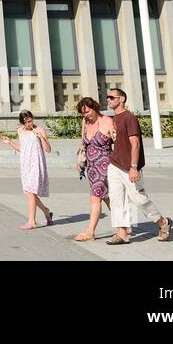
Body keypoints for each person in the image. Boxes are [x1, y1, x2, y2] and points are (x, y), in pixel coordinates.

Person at [103, 87, 173, 244]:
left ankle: (163, 223)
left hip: (129, 167)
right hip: (114, 164)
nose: (108, 99)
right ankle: (122, 233)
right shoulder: (114, 118)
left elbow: (135, 143)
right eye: (107, 97)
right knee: (116, 199)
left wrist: (133, 167)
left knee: (139, 199)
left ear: (121, 99)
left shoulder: (129, 118)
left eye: (111, 97)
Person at [2, 110, 53, 229]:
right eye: (26, 122)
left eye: (30, 121)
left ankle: (32, 222)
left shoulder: (39, 130)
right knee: (29, 193)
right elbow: (22, 148)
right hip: (25, 164)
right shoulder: (20, 131)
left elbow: (48, 149)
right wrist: (9, 142)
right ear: (22, 123)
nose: (29, 124)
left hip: (36, 164)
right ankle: (46, 211)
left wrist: (41, 138)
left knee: (30, 192)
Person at [73, 97, 112, 241]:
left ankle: (90, 232)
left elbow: (119, 142)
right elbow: (83, 144)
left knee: (95, 198)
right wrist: (80, 160)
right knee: (107, 198)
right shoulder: (85, 123)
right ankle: (124, 226)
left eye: (87, 112)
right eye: (83, 113)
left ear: (94, 108)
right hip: (92, 168)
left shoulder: (107, 121)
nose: (86, 115)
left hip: (105, 166)